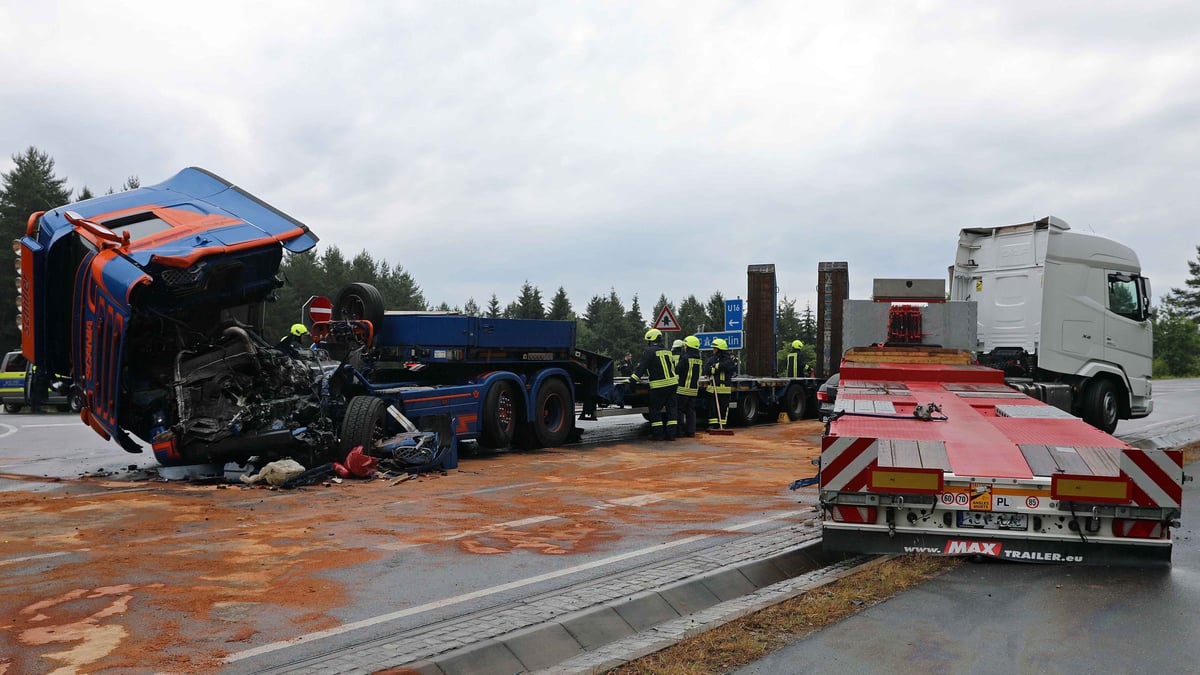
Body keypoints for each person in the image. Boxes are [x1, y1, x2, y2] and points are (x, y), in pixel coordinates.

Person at [629, 328, 678, 441]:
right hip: (672, 384)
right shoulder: (667, 350)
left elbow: (641, 368)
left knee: (655, 410)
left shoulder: (649, 351)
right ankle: (671, 435)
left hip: (659, 386)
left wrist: (631, 381)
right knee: (672, 410)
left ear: (651, 340)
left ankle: (658, 435)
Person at [705, 337, 737, 430]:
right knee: (712, 408)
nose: (713, 350)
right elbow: (706, 369)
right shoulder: (712, 359)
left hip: (724, 389)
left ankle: (722, 425)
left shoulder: (728, 360)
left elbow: (729, 367)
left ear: (720, 349)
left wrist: (716, 367)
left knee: (723, 408)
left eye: (715, 348)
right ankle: (712, 425)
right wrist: (714, 368)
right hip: (713, 389)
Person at [675, 335, 703, 438]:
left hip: (683, 389)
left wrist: (682, 356)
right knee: (691, 411)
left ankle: (678, 431)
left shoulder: (685, 358)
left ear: (689, 346)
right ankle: (691, 432)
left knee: (679, 410)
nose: (684, 347)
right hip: (693, 390)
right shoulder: (699, 360)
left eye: (685, 346)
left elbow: (677, 370)